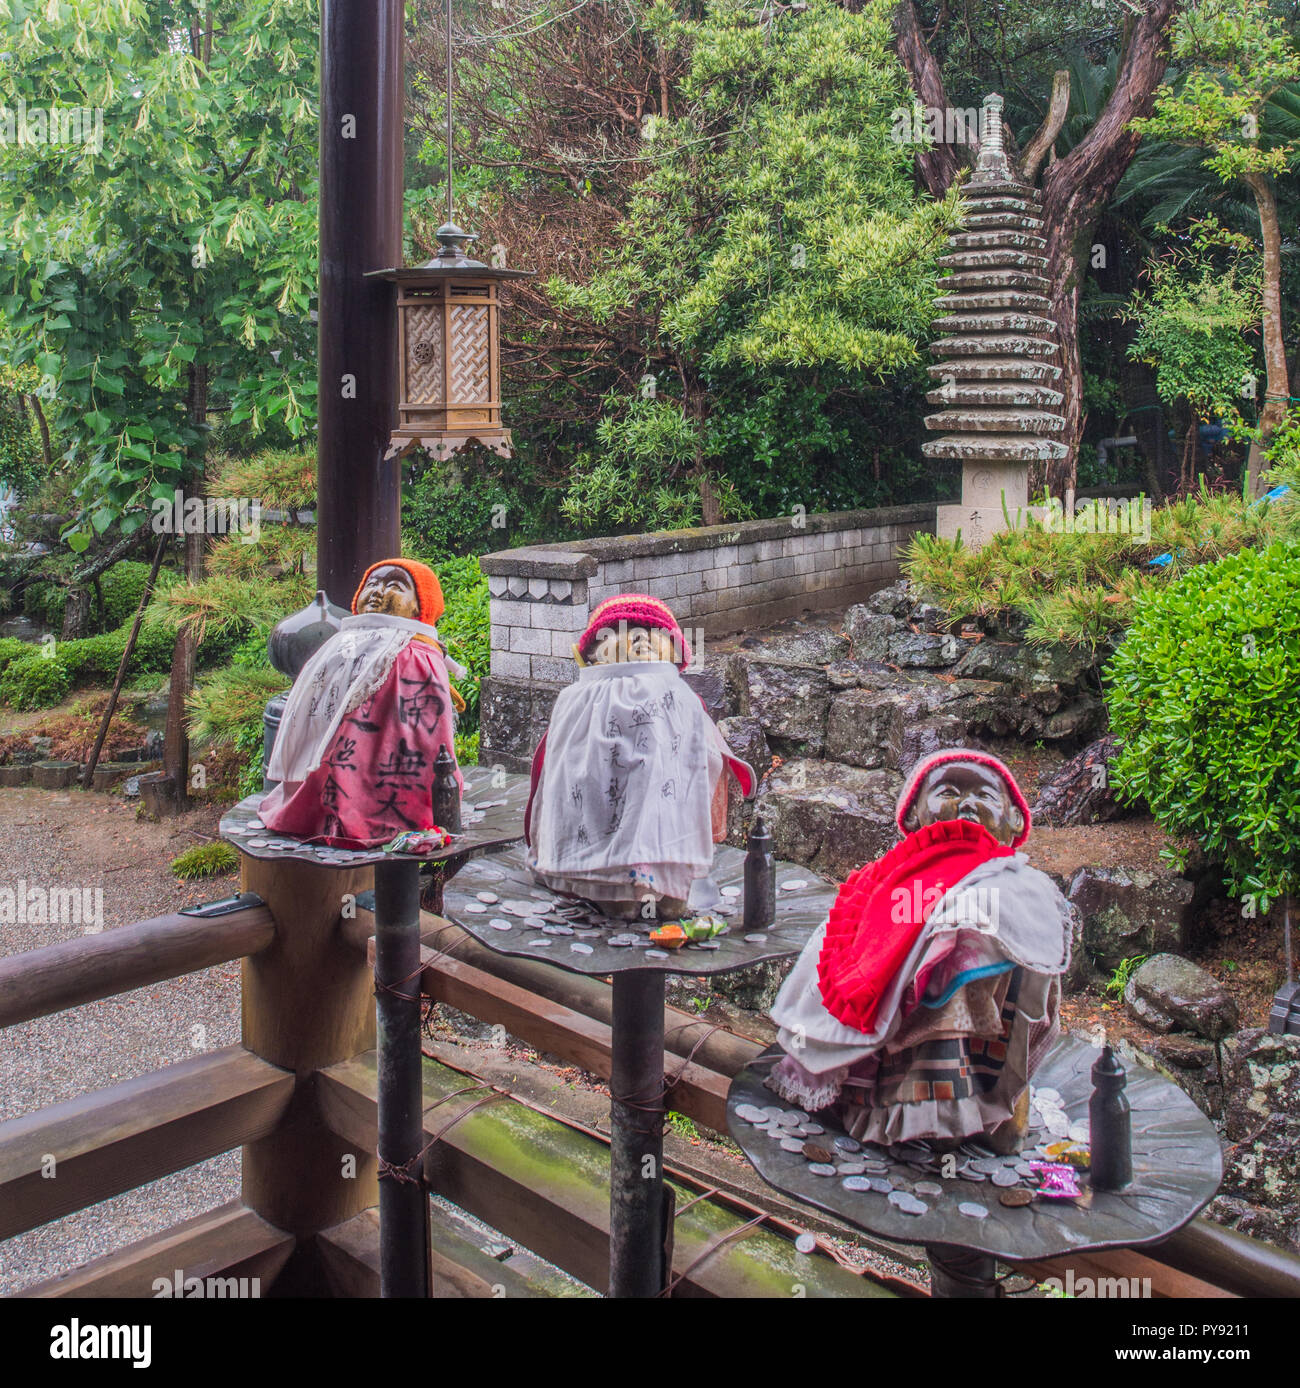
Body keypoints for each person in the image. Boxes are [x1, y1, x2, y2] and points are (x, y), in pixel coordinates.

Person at [767, 749, 1073, 1150]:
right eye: (947, 791)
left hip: (982, 1021)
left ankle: (978, 1110)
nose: (967, 804)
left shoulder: (1016, 881)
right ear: (912, 814)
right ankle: (896, 1108)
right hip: (910, 1021)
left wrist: (957, 932)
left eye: (986, 795)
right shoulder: (882, 884)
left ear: (1015, 820)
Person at [523, 593, 753, 918]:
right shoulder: (682, 700)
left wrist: (539, 841)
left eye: (648, 636)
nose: (640, 642)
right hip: (664, 861)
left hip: (586, 864)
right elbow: (708, 768)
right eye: (631, 635)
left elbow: (547, 773)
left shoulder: (576, 700)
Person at [259, 557, 464, 848]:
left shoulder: (417, 654)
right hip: (335, 757)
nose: (378, 591)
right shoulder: (344, 641)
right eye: (372, 584)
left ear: (420, 605)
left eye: (394, 586)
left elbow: (425, 731)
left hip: (389, 769)